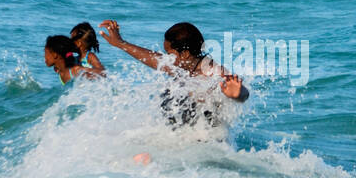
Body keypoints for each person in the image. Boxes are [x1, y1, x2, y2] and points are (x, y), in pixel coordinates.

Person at [98, 19, 249, 127]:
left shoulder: (213, 71)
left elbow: (240, 92)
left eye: (169, 53)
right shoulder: (184, 66)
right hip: (181, 137)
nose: (165, 58)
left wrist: (238, 94)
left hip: (207, 139)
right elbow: (152, 59)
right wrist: (120, 43)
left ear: (185, 54)